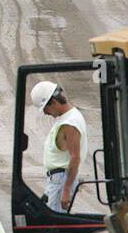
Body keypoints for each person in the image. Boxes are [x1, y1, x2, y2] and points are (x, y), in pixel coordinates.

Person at [29, 80, 87, 213]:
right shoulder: (67, 118)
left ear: (54, 102)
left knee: (55, 228)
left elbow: (75, 158)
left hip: (60, 180)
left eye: (45, 109)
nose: (45, 113)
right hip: (58, 180)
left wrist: (66, 189)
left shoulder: (70, 123)